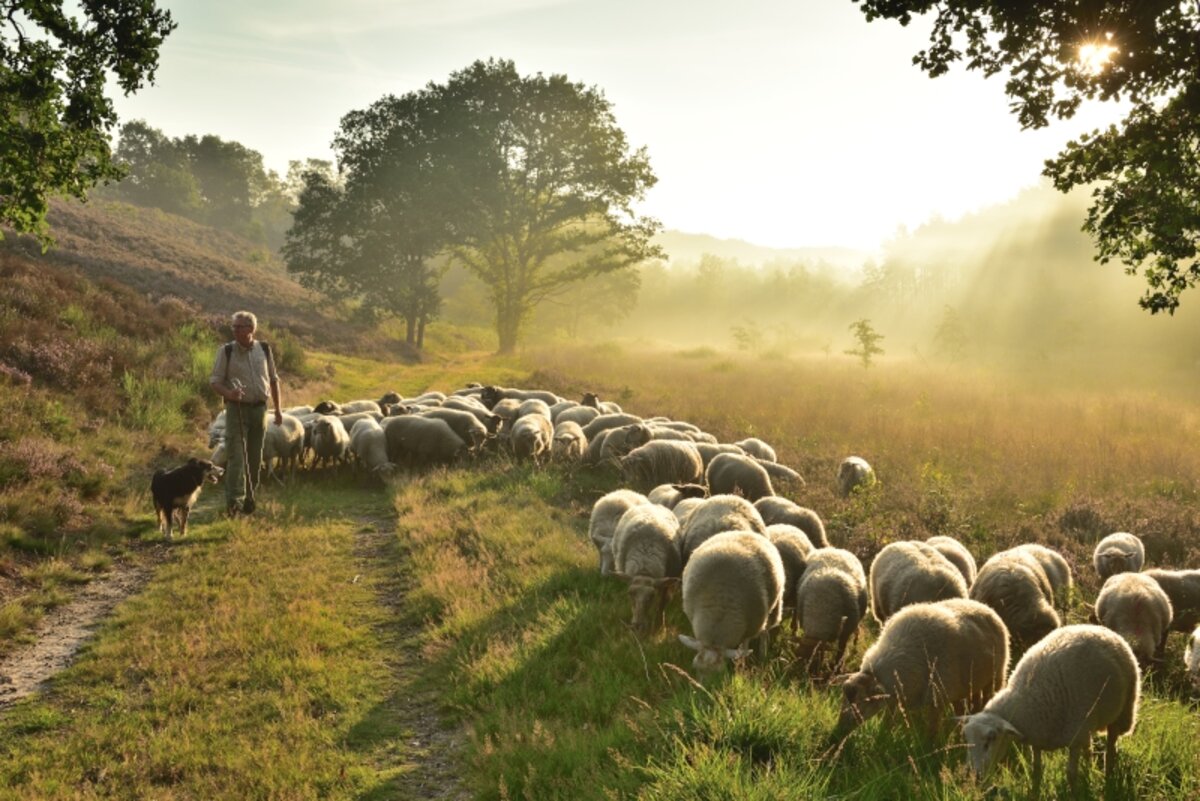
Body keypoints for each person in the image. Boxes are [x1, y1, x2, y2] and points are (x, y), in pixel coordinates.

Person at [210, 311, 282, 515]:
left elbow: (274, 380)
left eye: (239, 327)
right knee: (236, 457)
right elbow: (215, 381)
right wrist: (230, 394)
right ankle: (234, 504)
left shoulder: (265, 349)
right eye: (233, 326)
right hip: (237, 410)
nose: (235, 330)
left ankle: (250, 499)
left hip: (260, 409)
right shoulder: (226, 351)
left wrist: (277, 410)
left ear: (251, 329)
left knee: (255, 457)